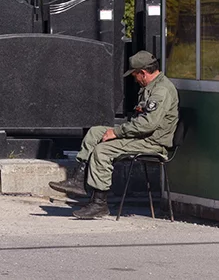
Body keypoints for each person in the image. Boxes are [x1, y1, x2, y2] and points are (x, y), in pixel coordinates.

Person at [49, 50, 179, 219]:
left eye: (135, 75)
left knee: (102, 151)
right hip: (141, 135)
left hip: (152, 141)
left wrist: (116, 132)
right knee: (95, 132)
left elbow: (148, 124)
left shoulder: (161, 90)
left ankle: (99, 204)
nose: (135, 79)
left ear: (143, 73)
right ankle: (79, 180)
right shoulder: (151, 87)